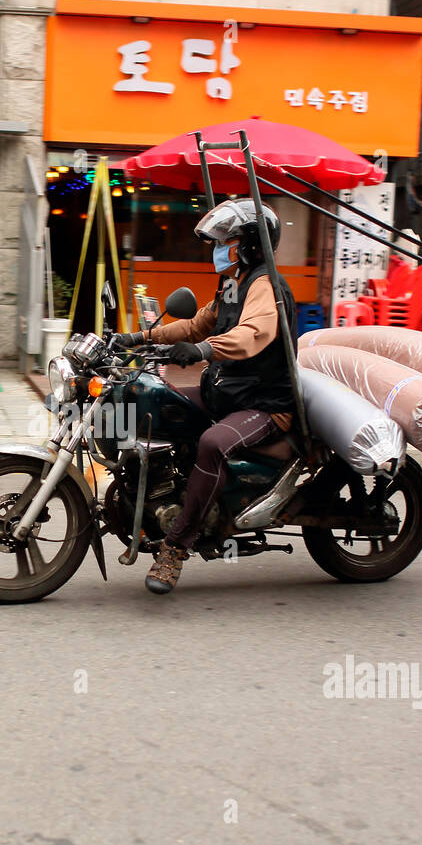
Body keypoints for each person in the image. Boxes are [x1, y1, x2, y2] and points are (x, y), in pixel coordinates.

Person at [114, 198, 297, 594]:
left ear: (249, 242)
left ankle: (176, 548)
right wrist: (138, 338)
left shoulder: (266, 285)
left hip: (264, 405)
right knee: (160, 402)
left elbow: (253, 335)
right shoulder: (234, 283)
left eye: (226, 240)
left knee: (212, 443)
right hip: (228, 394)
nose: (219, 249)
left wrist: (203, 351)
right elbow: (197, 324)